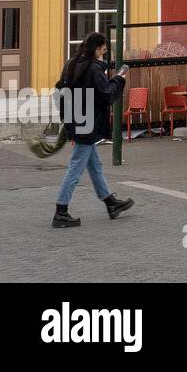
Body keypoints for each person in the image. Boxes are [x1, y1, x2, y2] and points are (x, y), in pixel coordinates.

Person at [52, 33, 136, 228]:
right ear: (97, 49)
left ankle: (110, 202)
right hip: (88, 123)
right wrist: (119, 79)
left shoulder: (71, 64)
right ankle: (60, 210)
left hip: (75, 120)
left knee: (95, 165)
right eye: (103, 51)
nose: (103, 55)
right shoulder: (93, 69)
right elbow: (106, 95)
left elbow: (60, 91)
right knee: (76, 166)